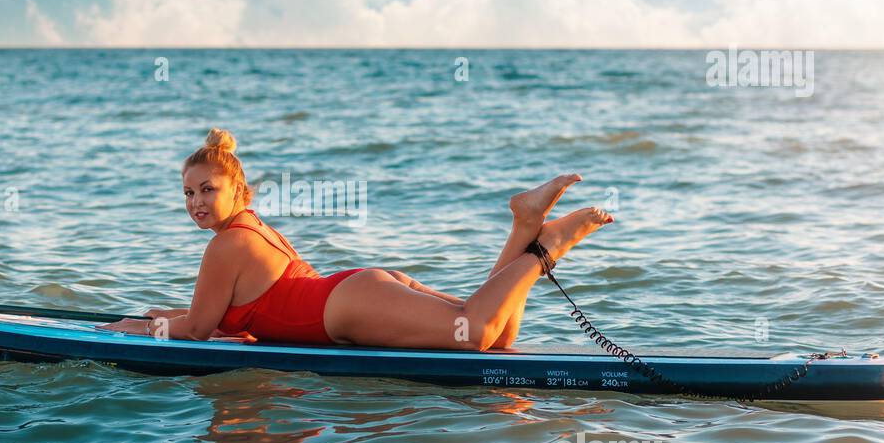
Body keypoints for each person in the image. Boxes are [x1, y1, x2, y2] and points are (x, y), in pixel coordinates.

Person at [96, 128, 612, 349]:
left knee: (475, 333)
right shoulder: (250, 231)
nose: (196, 203)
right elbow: (225, 319)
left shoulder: (225, 245)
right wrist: (159, 315)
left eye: (208, 189)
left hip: (346, 306)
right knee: (495, 338)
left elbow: (199, 331)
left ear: (240, 191)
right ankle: (524, 228)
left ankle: (548, 247)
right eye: (188, 193)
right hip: (354, 293)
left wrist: (133, 330)